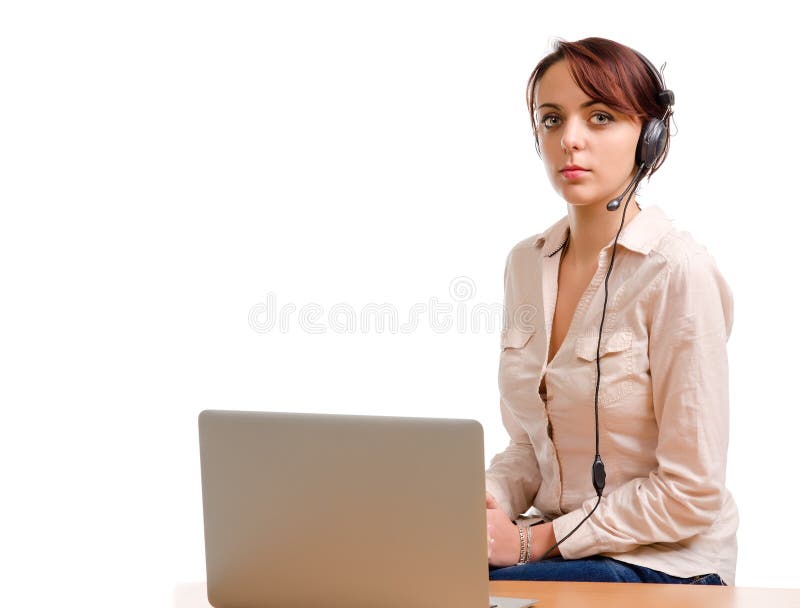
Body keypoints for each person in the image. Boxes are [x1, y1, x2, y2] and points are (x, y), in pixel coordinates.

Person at [484, 37, 737, 585]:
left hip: (661, 563)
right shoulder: (525, 264)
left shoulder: (677, 272)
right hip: (555, 549)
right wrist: (488, 500)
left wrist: (534, 541)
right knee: (384, 573)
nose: (569, 140)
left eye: (600, 117)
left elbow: (691, 491)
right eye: (552, 119)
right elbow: (531, 446)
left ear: (649, 137)